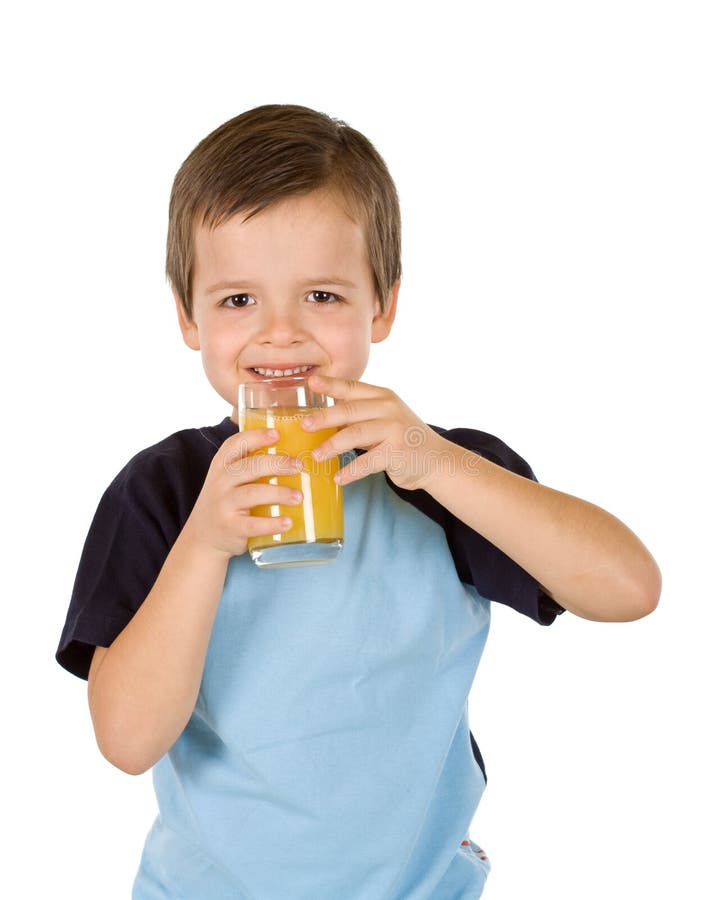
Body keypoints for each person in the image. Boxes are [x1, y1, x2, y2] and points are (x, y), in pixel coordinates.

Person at [56, 104, 661, 899]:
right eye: (238, 300)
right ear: (187, 316)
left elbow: (628, 591)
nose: (280, 334)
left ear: (382, 305)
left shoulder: (440, 475)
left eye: (322, 296)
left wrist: (435, 462)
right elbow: (129, 741)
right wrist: (203, 545)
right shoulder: (163, 492)